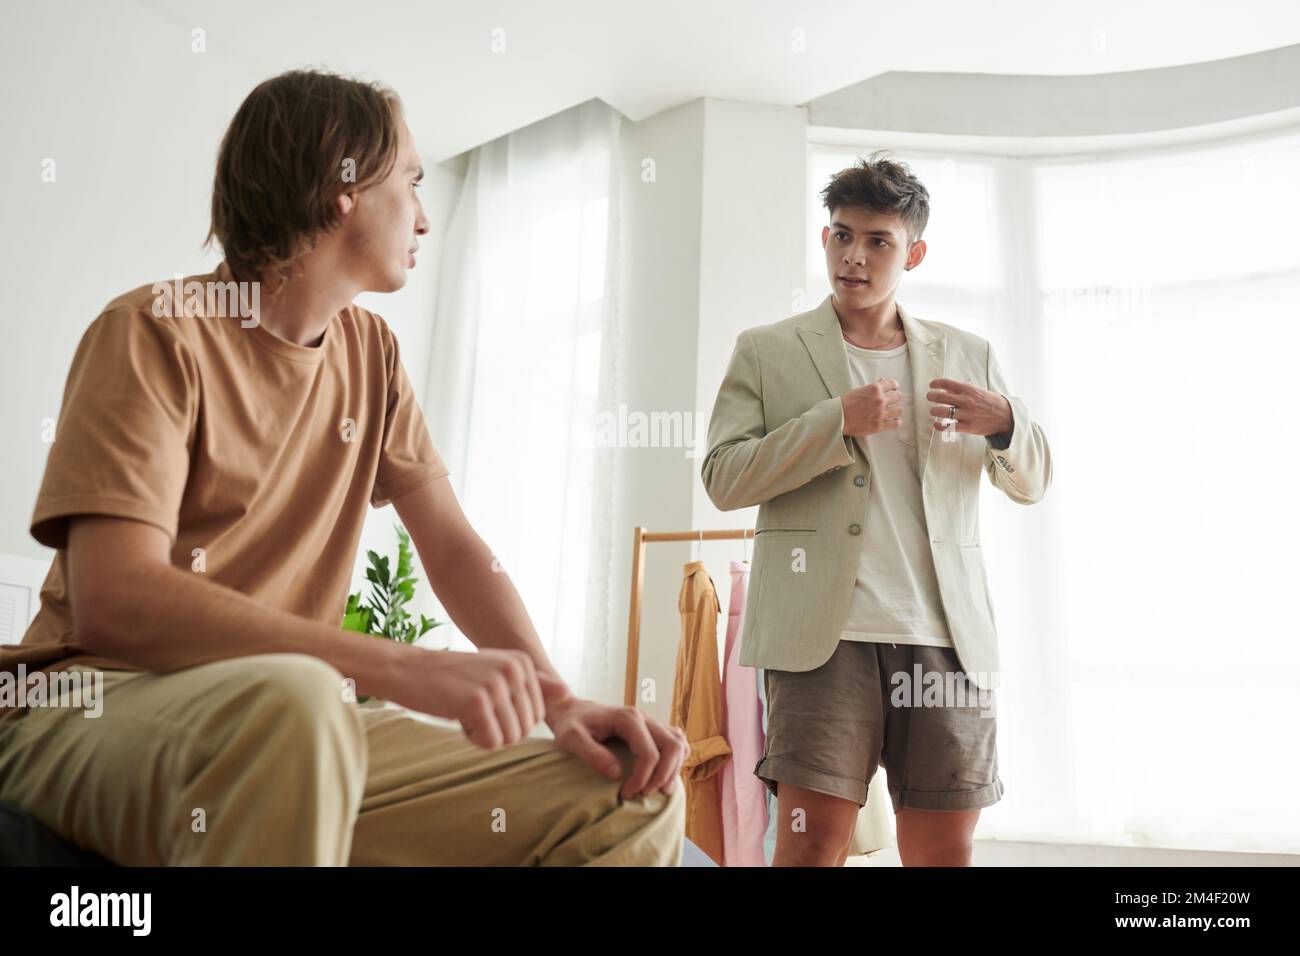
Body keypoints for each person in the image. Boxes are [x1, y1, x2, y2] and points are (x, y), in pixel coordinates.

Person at [0, 68, 686, 866]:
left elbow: (455, 547)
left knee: (626, 797)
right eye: (413, 182)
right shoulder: (153, 333)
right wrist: (401, 667)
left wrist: (558, 700)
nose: (425, 219)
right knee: (299, 703)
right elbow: (114, 599)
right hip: (87, 700)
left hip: (298, 722)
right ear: (344, 190)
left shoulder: (373, 353)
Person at [701, 151, 1052, 866]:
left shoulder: (967, 353)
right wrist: (835, 420)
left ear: (913, 252)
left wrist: (1007, 422)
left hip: (944, 638)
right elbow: (724, 477)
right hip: (821, 645)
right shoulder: (767, 352)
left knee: (942, 853)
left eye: (877, 241)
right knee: (809, 849)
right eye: (841, 234)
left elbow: (1032, 481)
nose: (853, 256)